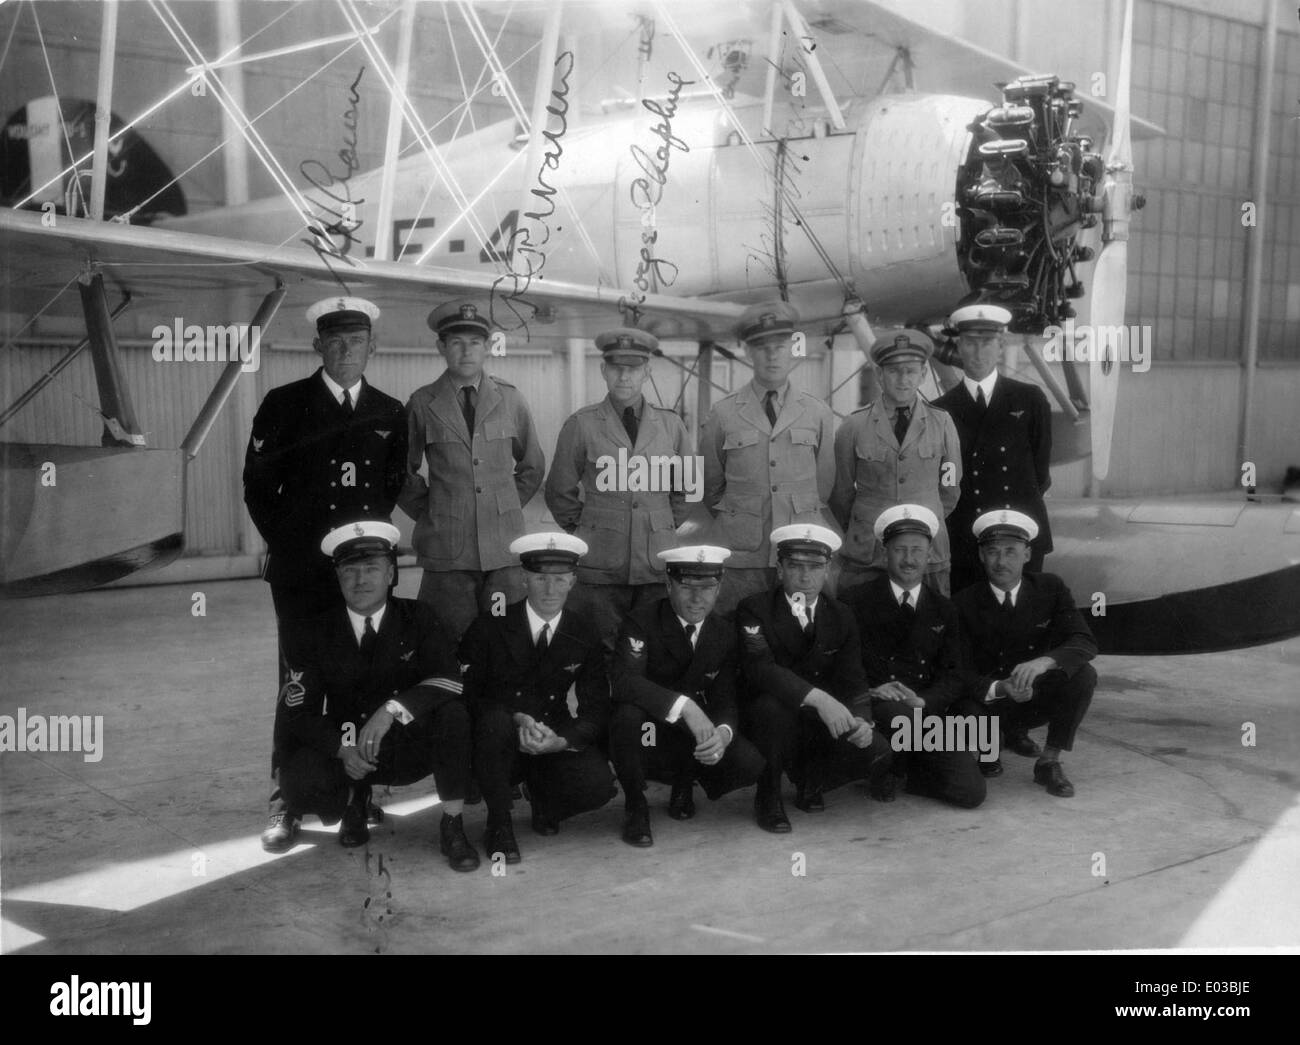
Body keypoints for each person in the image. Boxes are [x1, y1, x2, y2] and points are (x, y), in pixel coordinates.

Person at [243, 296, 408, 853]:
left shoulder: (390, 411)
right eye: (334, 341)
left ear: (371, 346)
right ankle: (286, 799)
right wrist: (297, 548)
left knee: (365, 678)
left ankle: (362, 793)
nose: (344, 351)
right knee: (299, 683)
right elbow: (259, 488)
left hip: (364, 575)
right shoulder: (285, 404)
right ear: (318, 345)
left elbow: (388, 489)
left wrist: (366, 560)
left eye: (355, 341)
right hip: (304, 575)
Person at [273, 522, 478, 871]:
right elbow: (299, 712)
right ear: (337, 576)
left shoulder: (418, 617)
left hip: (409, 745)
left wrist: (392, 710)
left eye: (371, 569)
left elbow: (449, 679)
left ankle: (452, 823)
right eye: (350, 571)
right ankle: (354, 801)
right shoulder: (315, 631)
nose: (360, 580)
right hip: (350, 749)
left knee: (454, 715)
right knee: (298, 780)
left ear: (391, 573)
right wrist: (340, 749)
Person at [461, 532, 615, 864]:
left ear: (572, 581)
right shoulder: (491, 626)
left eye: (559, 579)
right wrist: (516, 718)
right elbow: (469, 694)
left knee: (598, 787)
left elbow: (596, 706)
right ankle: (498, 823)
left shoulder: (583, 630)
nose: (549, 589)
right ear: (524, 578)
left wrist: (562, 741)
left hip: (550, 733)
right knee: (493, 725)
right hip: (499, 736)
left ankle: (545, 801)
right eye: (540, 578)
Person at [399, 299, 545, 642]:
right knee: (447, 643)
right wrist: (437, 511)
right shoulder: (422, 403)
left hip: (503, 551)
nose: (466, 351)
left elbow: (532, 466)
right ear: (441, 347)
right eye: (456, 343)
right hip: (447, 555)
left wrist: (502, 506)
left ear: (488, 347)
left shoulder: (511, 399)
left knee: (507, 640)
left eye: (475, 342)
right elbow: (402, 472)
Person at [545, 327, 694, 657]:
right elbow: (559, 491)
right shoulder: (581, 424)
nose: (624, 376)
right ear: (603, 370)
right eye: (616, 368)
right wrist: (588, 530)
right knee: (601, 651)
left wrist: (661, 523)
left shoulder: (672, 426)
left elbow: (689, 490)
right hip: (600, 565)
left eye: (634, 368)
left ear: (647, 371)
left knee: (654, 651)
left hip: (656, 563)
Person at [736, 524, 893, 832]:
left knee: (876, 749)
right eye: (795, 566)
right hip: (770, 716)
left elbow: (853, 677)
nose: (805, 578)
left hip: (819, 720)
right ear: (780, 570)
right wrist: (820, 699)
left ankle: (813, 780)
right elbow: (760, 669)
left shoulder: (841, 615)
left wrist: (862, 718)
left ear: (827, 571)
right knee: (771, 708)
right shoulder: (754, 610)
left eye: (815, 567)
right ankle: (768, 796)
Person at [608, 546, 766, 847]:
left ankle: (685, 784)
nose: (697, 598)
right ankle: (635, 804)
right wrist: (685, 707)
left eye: (707, 588)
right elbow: (624, 680)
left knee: (749, 764)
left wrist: (723, 732)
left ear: (719, 588)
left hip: (691, 734)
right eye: (687, 587)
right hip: (650, 729)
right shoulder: (641, 622)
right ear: (668, 586)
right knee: (627, 715)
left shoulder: (723, 632)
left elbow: (725, 695)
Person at [701, 301, 836, 618]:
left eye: (780, 346)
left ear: (793, 348)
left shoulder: (818, 412)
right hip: (742, 553)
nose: (772, 355)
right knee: (738, 630)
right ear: (748, 352)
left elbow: (825, 485)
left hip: (799, 552)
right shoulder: (723, 413)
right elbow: (709, 486)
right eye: (761, 347)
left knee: (798, 630)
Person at [953, 509, 1098, 797]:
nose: (1001, 561)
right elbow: (958, 670)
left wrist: (1045, 661)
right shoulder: (962, 603)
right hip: (989, 704)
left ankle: (1049, 761)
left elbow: (1084, 641)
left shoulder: (1050, 588)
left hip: (1034, 699)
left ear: (1028, 554)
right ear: (981, 556)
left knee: (1084, 675)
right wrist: (1002, 688)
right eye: (992, 552)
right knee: (971, 725)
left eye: (1011, 552)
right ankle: (991, 745)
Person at [850, 504, 987, 808]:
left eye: (917, 551)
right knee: (896, 716)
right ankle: (884, 766)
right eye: (900, 550)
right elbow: (844, 663)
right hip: (877, 707)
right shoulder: (856, 601)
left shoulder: (944, 608)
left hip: (922, 709)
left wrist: (924, 701)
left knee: (971, 793)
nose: (909, 559)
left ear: (929, 555)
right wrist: (871, 691)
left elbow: (955, 673)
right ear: (885, 553)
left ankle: (910, 770)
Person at [830, 329, 962, 602]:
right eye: (894, 371)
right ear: (879, 375)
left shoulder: (943, 423)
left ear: (923, 374)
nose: (903, 379)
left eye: (911, 371)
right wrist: (865, 523)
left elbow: (950, 488)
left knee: (930, 623)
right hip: (868, 551)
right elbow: (841, 493)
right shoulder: (853, 425)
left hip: (927, 550)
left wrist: (928, 519)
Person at [931, 304, 1053, 595]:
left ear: (1001, 347)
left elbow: (1041, 474)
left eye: (987, 342)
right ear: (958, 347)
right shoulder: (940, 410)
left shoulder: (1030, 399)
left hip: (1020, 532)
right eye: (970, 343)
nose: (978, 352)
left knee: (1021, 622)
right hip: (966, 538)